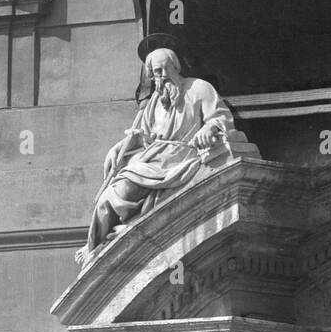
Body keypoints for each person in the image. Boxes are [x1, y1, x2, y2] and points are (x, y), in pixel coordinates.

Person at [77, 39, 234, 267]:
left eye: (164, 69)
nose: (161, 76)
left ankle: (102, 243)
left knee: (125, 189)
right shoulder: (154, 103)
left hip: (182, 156)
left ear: (175, 67)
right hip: (152, 158)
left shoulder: (198, 88)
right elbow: (144, 136)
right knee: (106, 199)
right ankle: (95, 247)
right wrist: (120, 147)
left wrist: (209, 128)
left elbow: (219, 117)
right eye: (155, 73)